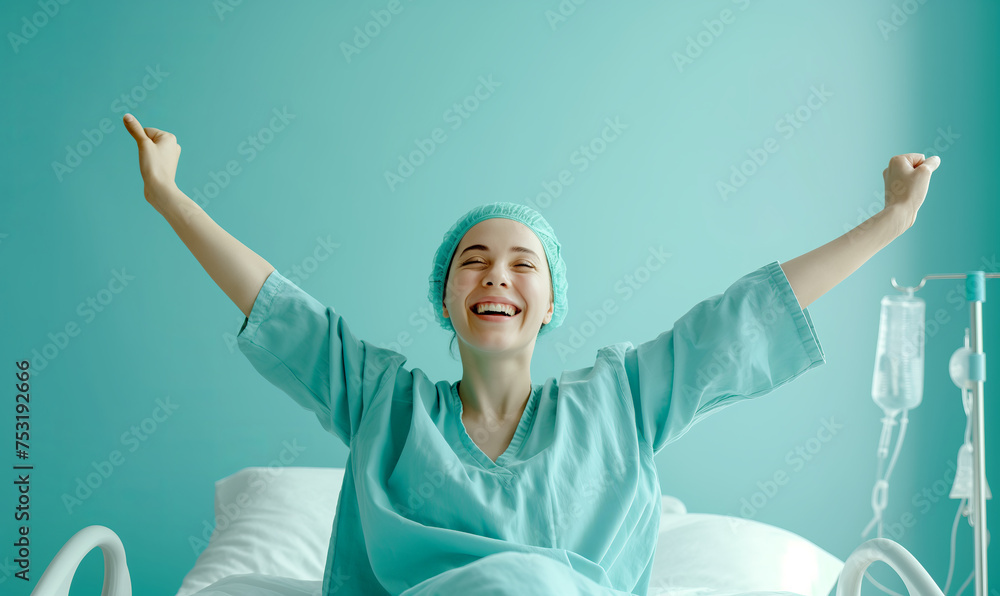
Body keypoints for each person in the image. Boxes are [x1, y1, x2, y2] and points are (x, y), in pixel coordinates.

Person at [124, 113, 940, 596]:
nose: (497, 276)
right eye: (473, 261)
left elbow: (741, 321)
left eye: (524, 265)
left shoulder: (619, 400)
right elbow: (282, 310)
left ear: (550, 306)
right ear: (445, 297)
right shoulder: (386, 405)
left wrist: (891, 222)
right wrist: (169, 197)